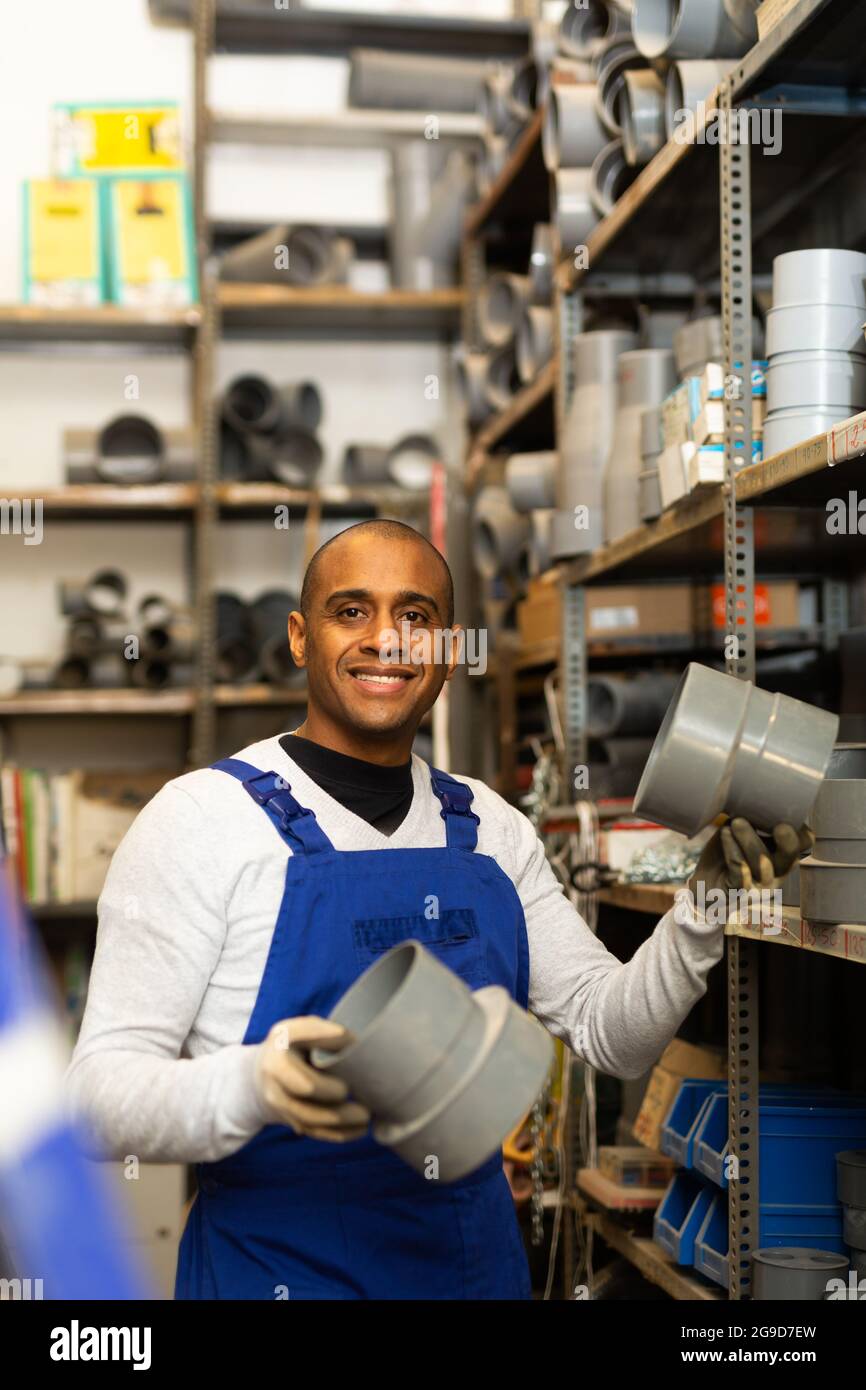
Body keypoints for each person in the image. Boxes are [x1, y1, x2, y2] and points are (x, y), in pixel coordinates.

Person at [65, 520, 809, 1300]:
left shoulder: (491, 827)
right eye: (351, 611)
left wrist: (705, 901)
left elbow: (609, 1032)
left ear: (448, 650)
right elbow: (97, 1097)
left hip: (472, 1275)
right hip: (277, 1276)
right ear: (297, 637)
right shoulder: (200, 821)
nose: (386, 638)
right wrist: (254, 1085)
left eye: (415, 617)